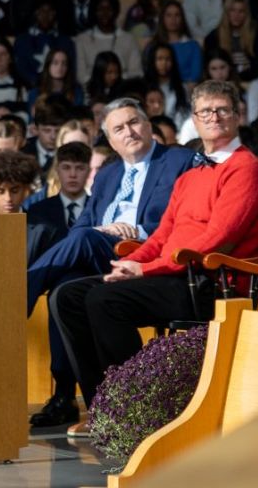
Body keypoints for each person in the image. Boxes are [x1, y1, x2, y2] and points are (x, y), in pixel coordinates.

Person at [50, 80, 258, 432]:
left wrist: (144, 269)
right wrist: (130, 262)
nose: (214, 117)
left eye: (222, 110)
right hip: (173, 275)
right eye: (205, 111)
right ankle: (105, 410)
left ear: (237, 115)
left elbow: (218, 240)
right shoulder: (193, 173)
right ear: (195, 120)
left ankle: (135, 410)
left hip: (211, 283)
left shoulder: (246, 168)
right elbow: (164, 233)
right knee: (68, 296)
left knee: (104, 301)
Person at [26, 97, 201, 428]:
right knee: (63, 291)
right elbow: (83, 226)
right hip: (102, 249)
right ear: (108, 139)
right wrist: (100, 230)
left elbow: (185, 218)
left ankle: (18, 295)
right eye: (118, 128)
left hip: (146, 249)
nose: (129, 132)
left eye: (134, 122)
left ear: (148, 126)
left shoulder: (177, 160)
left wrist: (135, 230)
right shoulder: (107, 175)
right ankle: (88, 403)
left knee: (81, 242)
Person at [72, 0, 144, 85]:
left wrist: (116, 79)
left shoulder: (129, 39)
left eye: (109, 9)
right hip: (92, 92)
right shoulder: (82, 39)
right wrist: (100, 82)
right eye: (100, 9)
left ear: (116, 12)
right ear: (95, 12)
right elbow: (81, 76)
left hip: (123, 90)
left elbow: (137, 73)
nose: (104, 13)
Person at [15, 0, 76, 88]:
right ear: (36, 13)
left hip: (61, 88)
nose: (45, 15)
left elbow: (71, 67)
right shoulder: (23, 40)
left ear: (55, 14)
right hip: (31, 88)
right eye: (42, 11)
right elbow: (21, 68)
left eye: (50, 12)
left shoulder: (65, 41)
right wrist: (38, 84)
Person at [205, 0, 258, 81]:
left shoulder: (257, 35)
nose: (236, 15)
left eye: (241, 11)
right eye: (232, 10)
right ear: (227, 13)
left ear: (246, 14)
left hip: (252, 80)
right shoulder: (213, 37)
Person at [149, 0, 203, 84]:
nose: (173, 19)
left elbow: (195, 76)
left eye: (177, 15)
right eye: (169, 15)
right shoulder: (153, 46)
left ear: (182, 18)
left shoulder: (193, 46)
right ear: (162, 18)